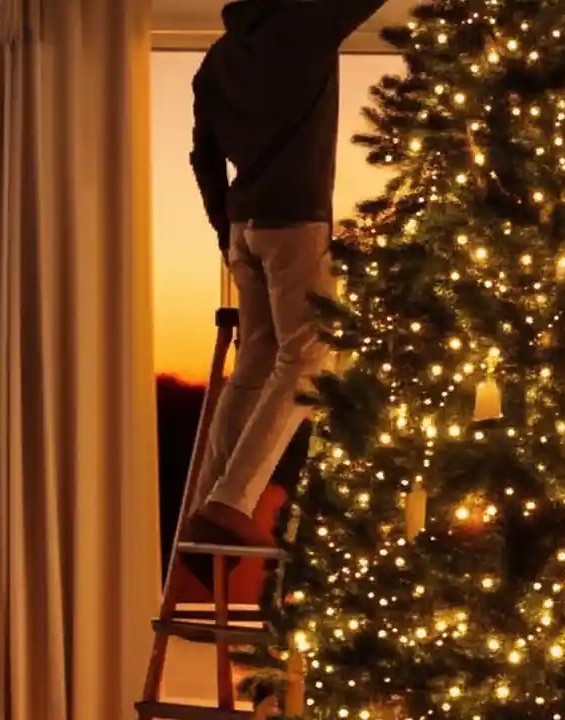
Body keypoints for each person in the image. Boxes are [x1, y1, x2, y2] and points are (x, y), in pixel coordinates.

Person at [183, 0, 388, 589]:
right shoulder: (306, 25)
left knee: (257, 363)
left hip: (244, 226)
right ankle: (230, 501)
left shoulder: (219, 58)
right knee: (311, 355)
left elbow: (203, 157)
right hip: (295, 221)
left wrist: (226, 227)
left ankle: (208, 504)